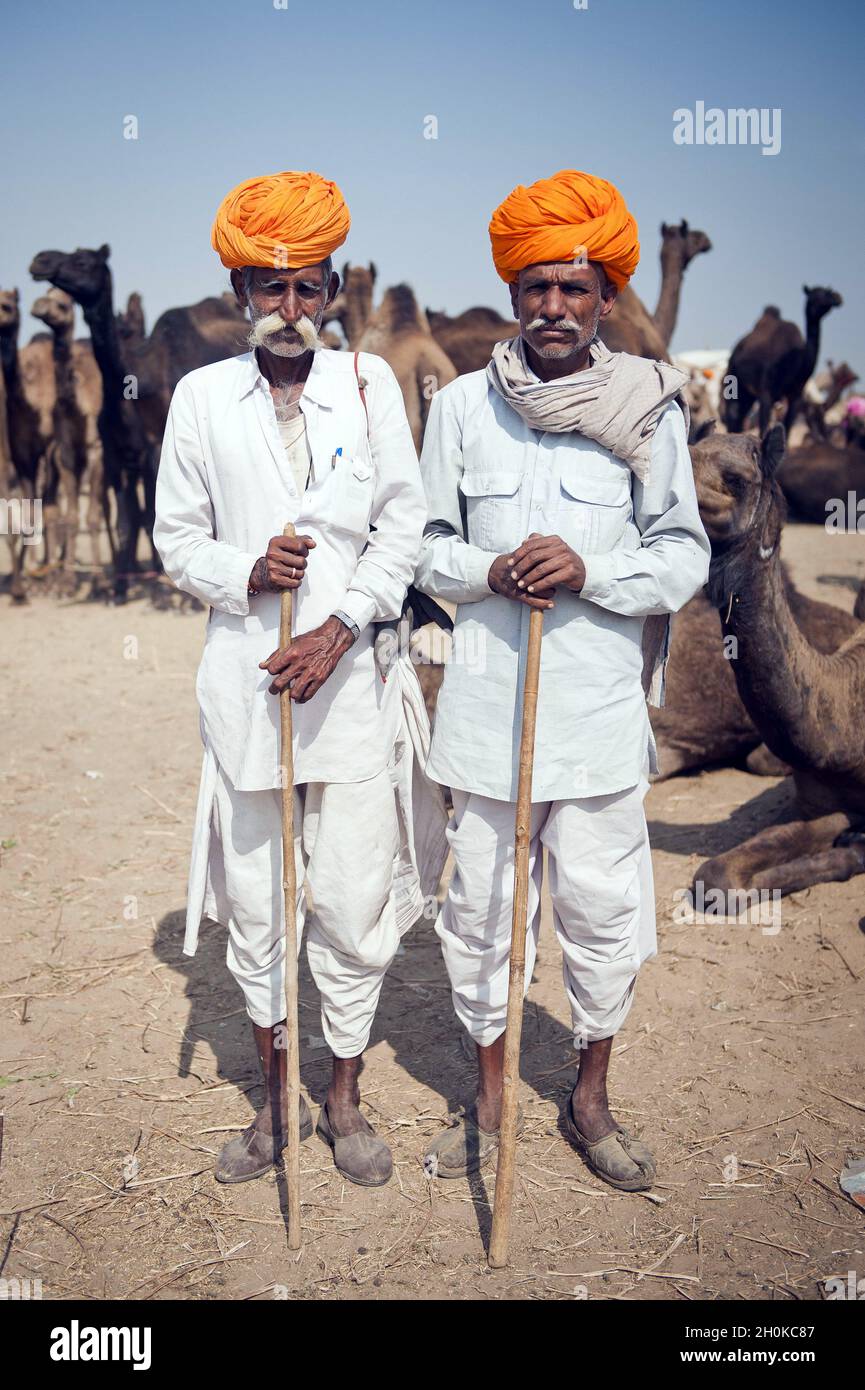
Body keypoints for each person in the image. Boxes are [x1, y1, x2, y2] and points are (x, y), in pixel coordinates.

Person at [415, 170, 710, 1190]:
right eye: (535, 287)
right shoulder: (459, 409)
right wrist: (483, 570)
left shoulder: (645, 408)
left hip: (590, 717)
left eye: (574, 289)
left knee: (598, 911)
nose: (553, 307)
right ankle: (490, 1096)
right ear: (512, 292)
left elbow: (682, 554)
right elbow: (423, 546)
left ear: (605, 298)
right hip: (487, 714)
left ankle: (588, 1097)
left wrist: (594, 570)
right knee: (481, 914)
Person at [154, 170, 427, 1187]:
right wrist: (243, 572)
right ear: (237, 288)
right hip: (246, 687)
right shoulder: (196, 399)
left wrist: (342, 625)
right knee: (261, 907)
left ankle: (342, 1095)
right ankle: (273, 1102)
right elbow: (174, 538)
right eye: (270, 288)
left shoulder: (367, 385)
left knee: (353, 902)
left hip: (351, 687)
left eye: (308, 288)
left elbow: (402, 526)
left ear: (335, 289)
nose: (290, 309)